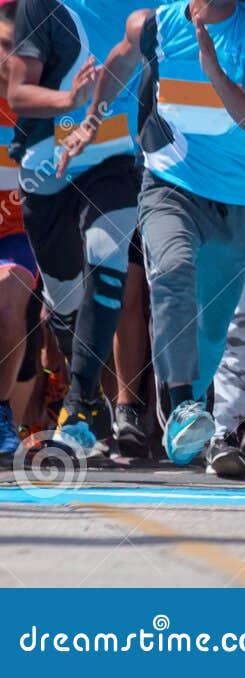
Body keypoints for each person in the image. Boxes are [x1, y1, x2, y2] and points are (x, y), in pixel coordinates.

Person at [64, 0, 245, 472]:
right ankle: (181, 402)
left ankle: (192, 410)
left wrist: (214, 70)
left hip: (237, 203)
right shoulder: (153, 25)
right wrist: (90, 121)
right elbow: (119, 65)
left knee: (212, 330)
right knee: (173, 272)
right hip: (168, 186)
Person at [7, 0, 164, 454]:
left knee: (106, 259)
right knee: (64, 304)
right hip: (47, 170)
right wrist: (69, 101)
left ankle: (76, 408)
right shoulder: (43, 7)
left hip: (118, 161)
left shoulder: (153, 11)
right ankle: (88, 396)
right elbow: (18, 94)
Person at [0, 2, 31, 461]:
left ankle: (2, 411)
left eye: (13, 47)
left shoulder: (37, 104)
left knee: (7, 305)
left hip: (19, 232)